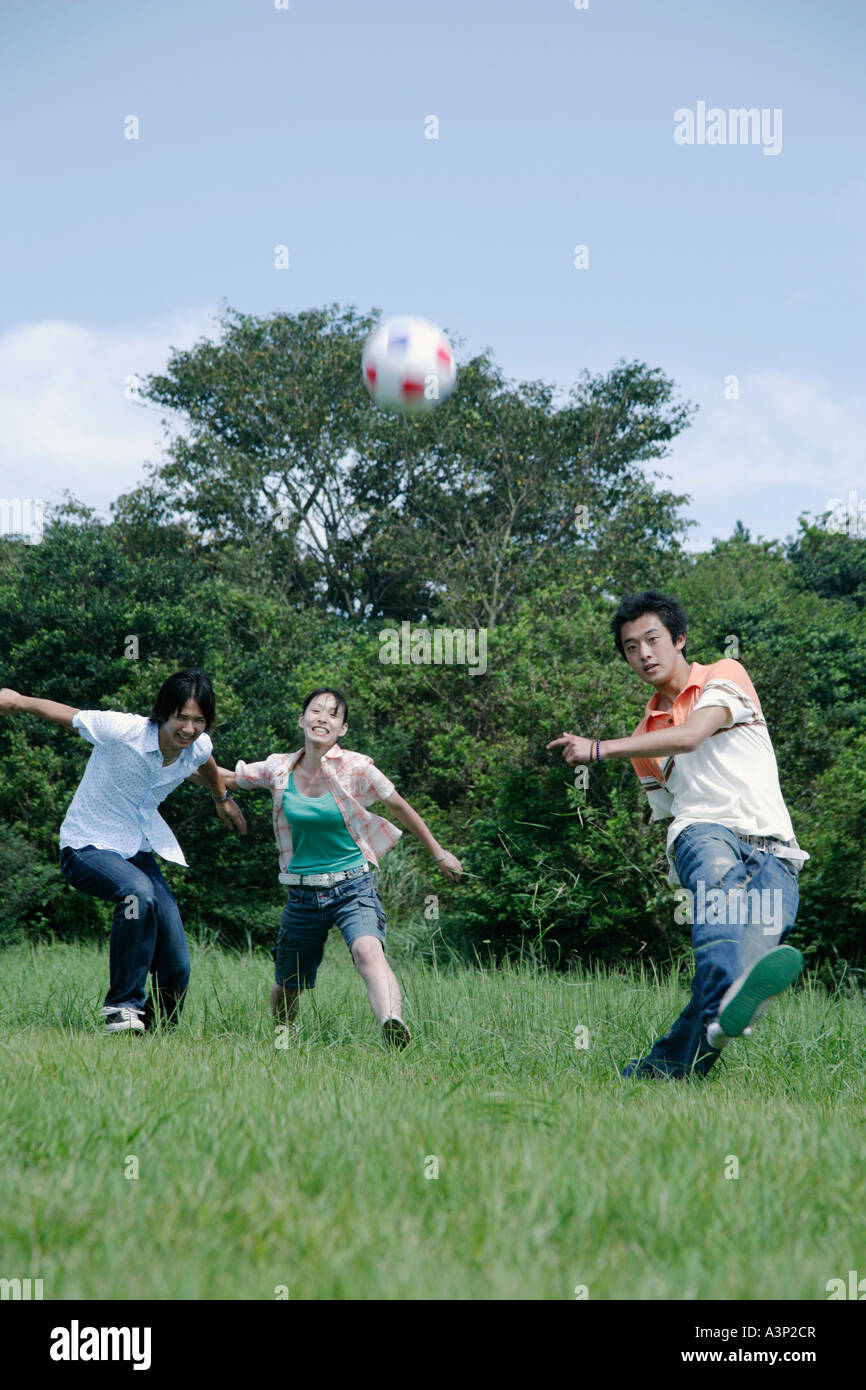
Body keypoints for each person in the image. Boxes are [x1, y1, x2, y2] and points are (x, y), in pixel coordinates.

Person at [548, 589, 808, 1080]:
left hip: (777, 851)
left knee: (740, 980)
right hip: (703, 833)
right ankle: (723, 1007)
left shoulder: (724, 676)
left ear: (679, 639)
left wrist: (599, 749)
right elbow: (670, 812)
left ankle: (668, 1066)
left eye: (652, 640)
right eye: (630, 648)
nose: (643, 654)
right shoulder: (645, 736)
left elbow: (691, 735)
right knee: (719, 895)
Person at [208, 687, 462, 1048]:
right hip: (302, 893)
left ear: (342, 729)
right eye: (315, 711)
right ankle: (285, 1036)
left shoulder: (356, 768)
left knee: (367, 950)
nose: (322, 718)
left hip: (352, 885)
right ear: (302, 719)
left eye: (332, 714)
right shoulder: (279, 768)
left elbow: (399, 806)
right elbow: (227, 777)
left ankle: (392, 1021)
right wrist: (181, 758)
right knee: (288, 983)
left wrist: (438, 852)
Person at [0, 670, 246, 1034]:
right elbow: (65, 714)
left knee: (176, 965)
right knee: (136, 892)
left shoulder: (197, 746)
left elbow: (205, 762)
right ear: (164, 712)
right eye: (182, 718)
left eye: (198, 721)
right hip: (86, 846)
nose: (189, 729)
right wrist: (17, 701)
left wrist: (221, 796)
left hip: (136, 850)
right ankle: (122, 1006)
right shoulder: (123, 730)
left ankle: (153, 1037)